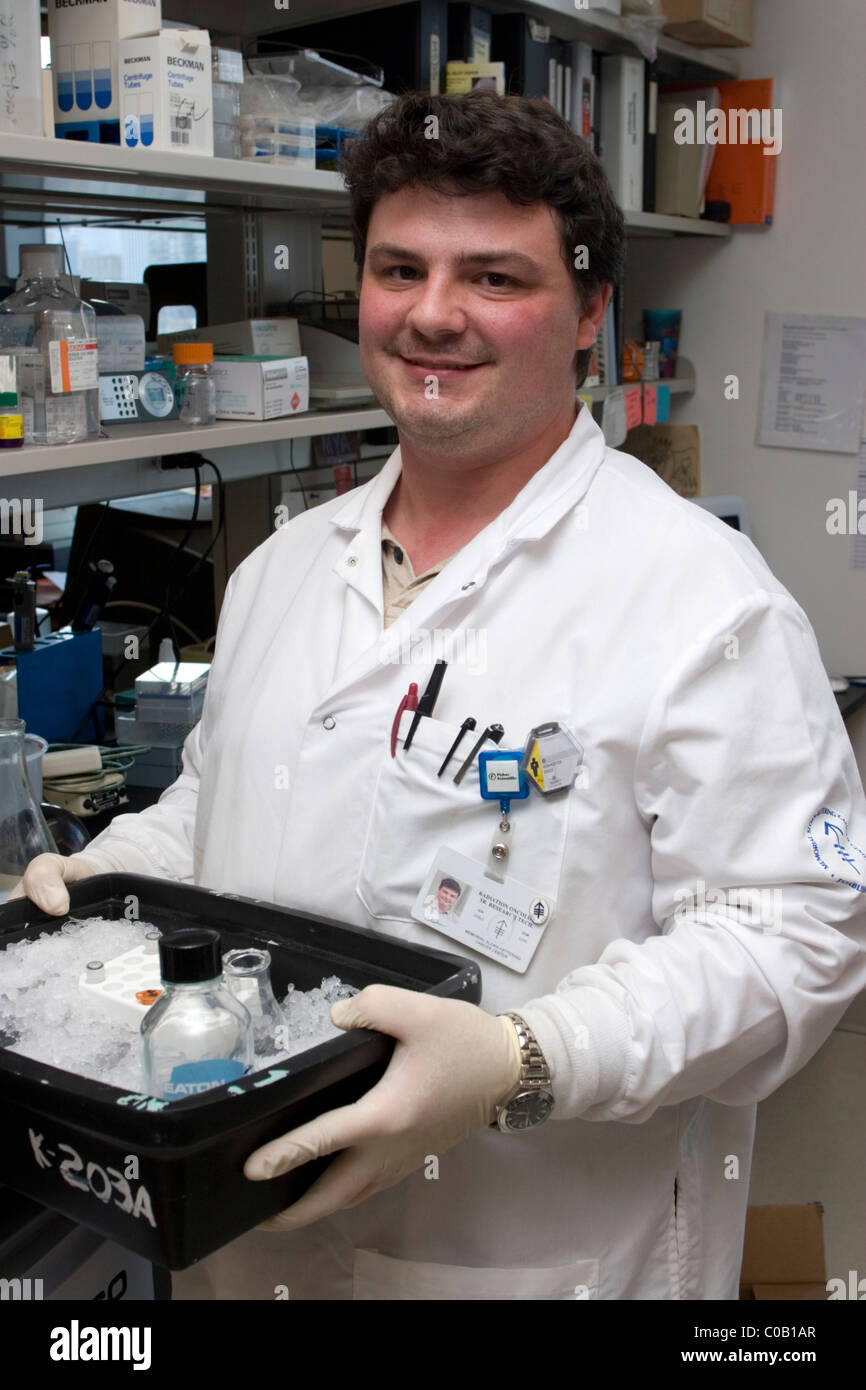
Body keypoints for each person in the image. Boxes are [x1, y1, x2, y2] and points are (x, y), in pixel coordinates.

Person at [15, 91, 866, 1301]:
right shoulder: (281, 571)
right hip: (247, 1248)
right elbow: (226, 803)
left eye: (493, 278)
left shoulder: (698, 601)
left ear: (586, 314)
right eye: (398, 268)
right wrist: (114, 876)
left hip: (529, 1256)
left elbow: (798, 933)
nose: (431, 315)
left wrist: (525, 1058)